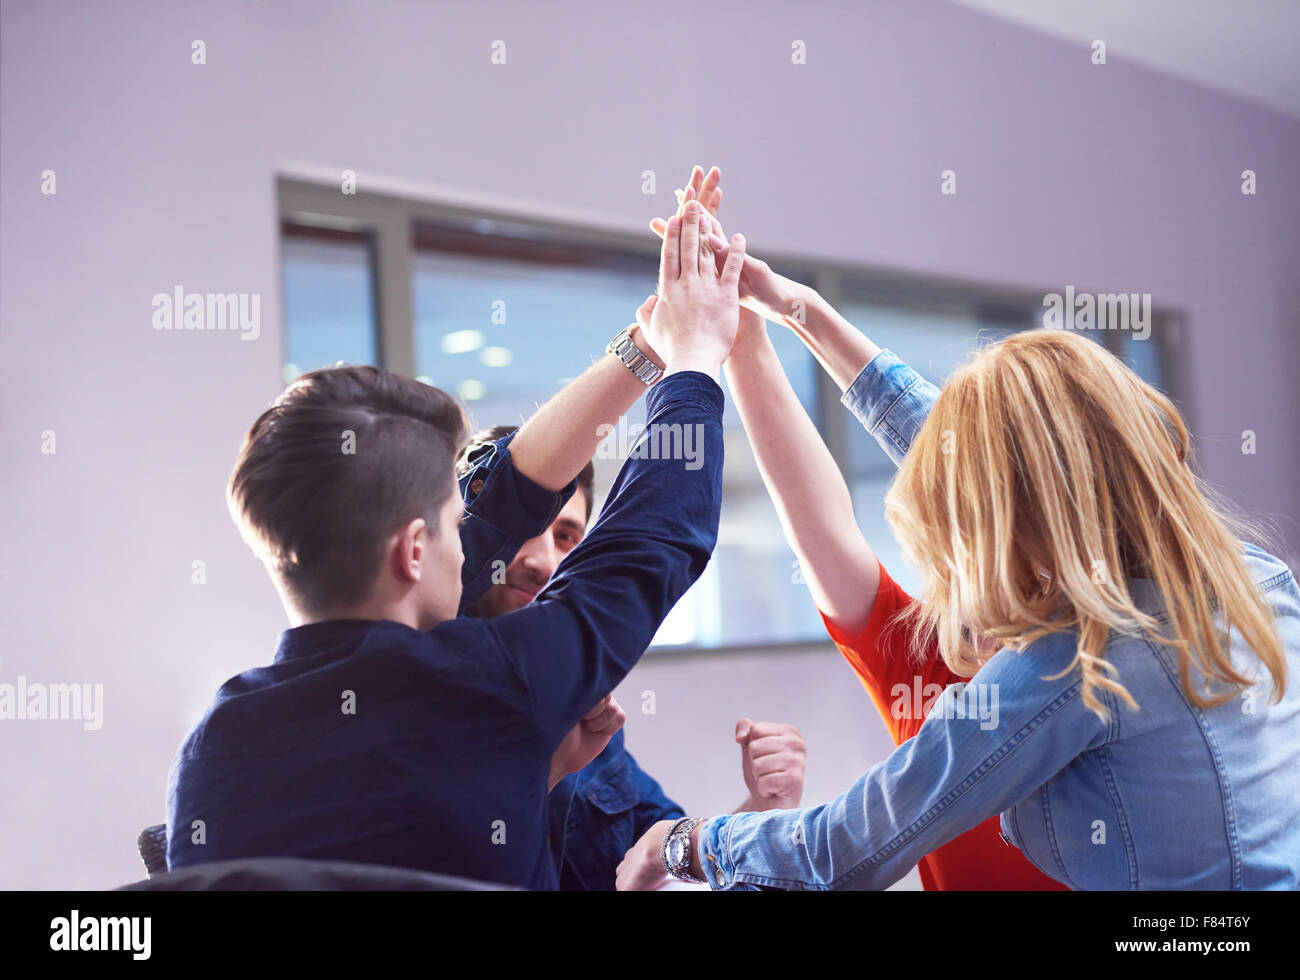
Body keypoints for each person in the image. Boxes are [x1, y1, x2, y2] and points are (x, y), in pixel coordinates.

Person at [619, 176, 1299, 890]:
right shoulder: (1251, 580)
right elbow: (989, 467)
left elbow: (848, 848)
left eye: (967, 532)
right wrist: (793, 313)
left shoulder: (1072, 666)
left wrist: (686, 842)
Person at [165, 202, 749, 888]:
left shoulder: (215, 745)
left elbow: (508, 509)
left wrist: (644, 351)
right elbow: (652, 541)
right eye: (452, 518)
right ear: (414, 550)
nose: (470, 542)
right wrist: (699, 352)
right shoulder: (491, 682)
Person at [638, 167, 1065, 889]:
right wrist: (741, 334)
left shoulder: (1113, 666)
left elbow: (832, 849)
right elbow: (818, 519)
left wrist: (680, 847)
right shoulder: (931, 666)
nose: (972, 568)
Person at [456, 424, 807, 890]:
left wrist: (759, 808)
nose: (542, 561)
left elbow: (662, 852)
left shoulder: (585, 708)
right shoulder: (412, 681)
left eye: (564, 536)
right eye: (522, 530)